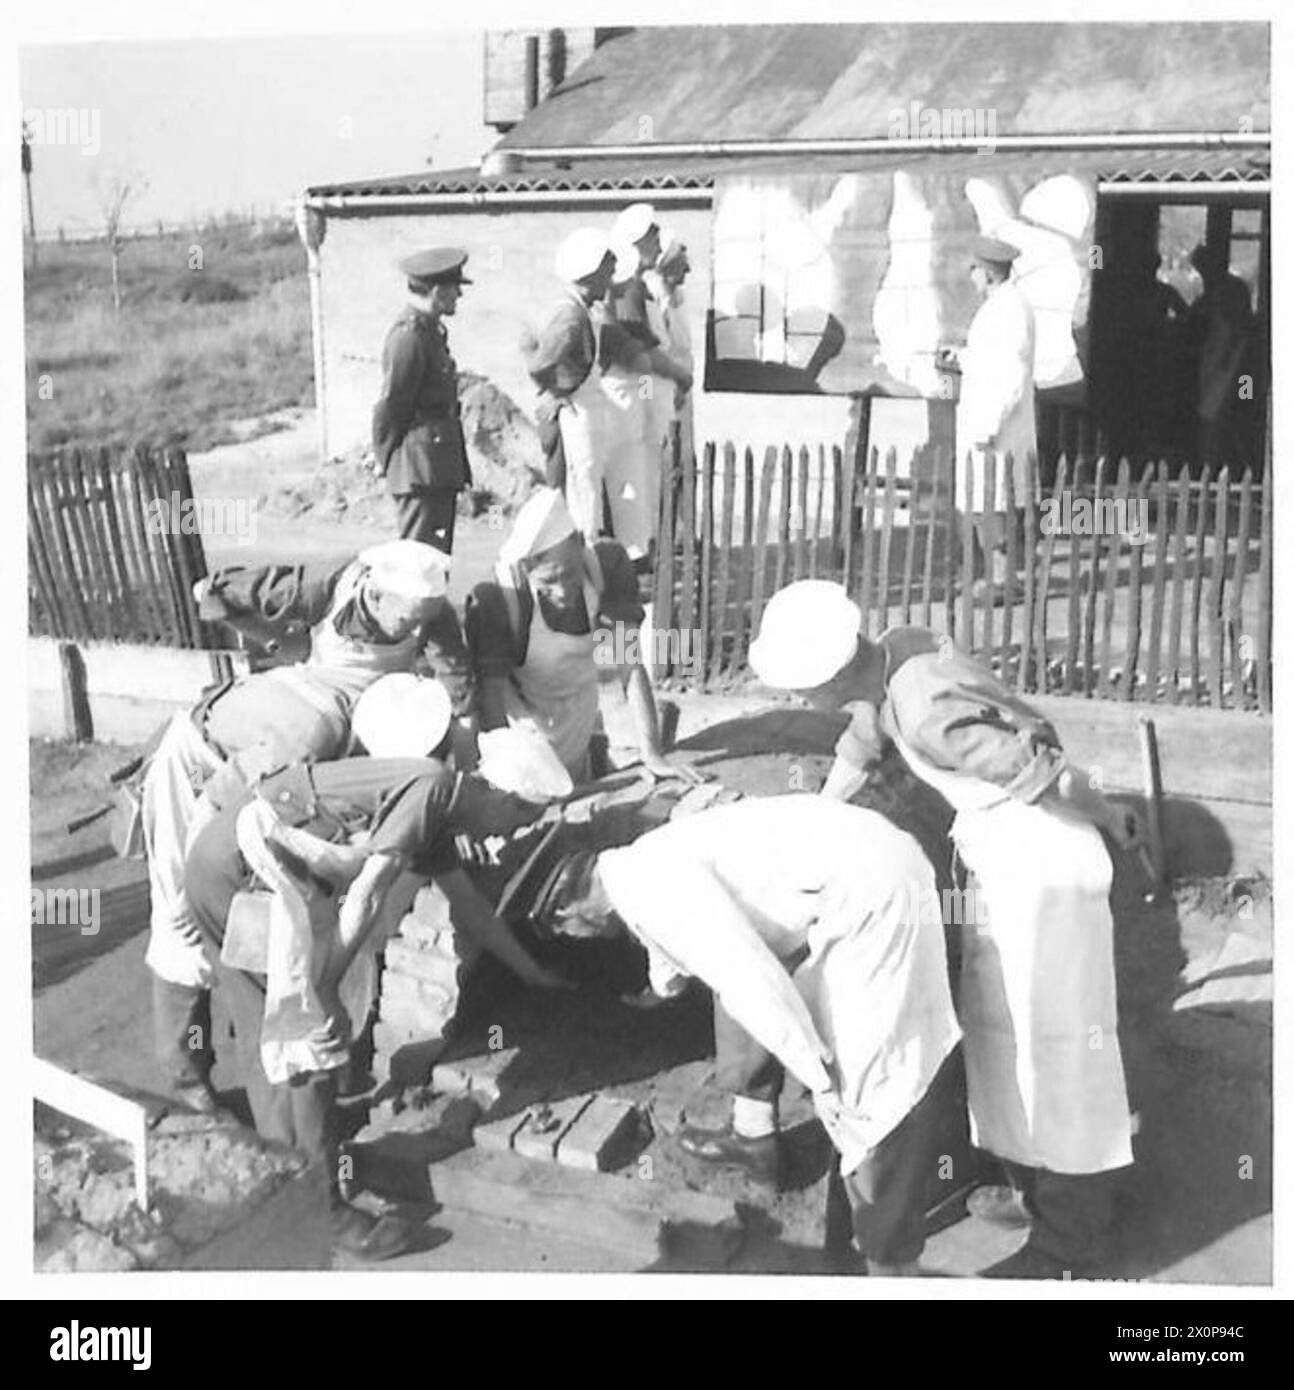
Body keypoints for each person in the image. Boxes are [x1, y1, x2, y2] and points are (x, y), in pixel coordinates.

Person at [748, 580, 1143, 1278]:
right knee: (1001, 1034)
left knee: (1053, 1045)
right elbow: (862, 746)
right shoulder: (894, 655)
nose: (798, 701)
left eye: (801, 687)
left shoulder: (924, 705)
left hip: (1044, 857)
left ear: (832, 673)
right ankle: (1037, 1186)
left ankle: (1073, 1238)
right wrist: (812, 820)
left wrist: (1113, 817)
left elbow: (1045, 775)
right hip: (999, 860)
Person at [184, 676, 568, 1262]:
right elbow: (365, 898)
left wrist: (534, 973)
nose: (503, 840)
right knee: (311, 1038)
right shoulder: (434, 789)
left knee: (276, 1035)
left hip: (224, 861)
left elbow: (469, 907)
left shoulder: (438, 805)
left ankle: (279, 1181)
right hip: (244, 872)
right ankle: (323, 1212)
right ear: (503, 796)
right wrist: (325, 985)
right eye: (515, 823)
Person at [529, 793, 962, 1276]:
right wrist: (660, 990)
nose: (574, 939)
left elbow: (751, 980)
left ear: (568, 911)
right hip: (869, 861)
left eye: (567, 932)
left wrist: (816, 1070)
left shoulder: (652, 894)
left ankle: (892, 1256)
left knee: (872, 1084)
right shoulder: (634, 866)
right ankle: (869, 1215)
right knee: (877, 1065)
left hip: (871, 898)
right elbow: (675, 940)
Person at [142, 540, 466, 1111]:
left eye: (424, 618)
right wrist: (218, 597)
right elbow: (229, 811)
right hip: (208, 762)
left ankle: (308, 1068)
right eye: (406, 616)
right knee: (184, 927)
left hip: (296, 758)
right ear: (373, 589)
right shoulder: (335, 595)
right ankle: (190, 1085)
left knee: (286, 928)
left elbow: (459, 685)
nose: (416, 626)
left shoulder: (425, 640)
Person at [464, 488, 704, 786]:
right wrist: (513, 777)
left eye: (570, 574)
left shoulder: (605, 571)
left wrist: (651, 753)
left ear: (580, 544)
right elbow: (492, 702)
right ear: (525, 570)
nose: (563, 591)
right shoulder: (503, 602)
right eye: (548, 582)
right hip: (528, 751)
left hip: (580, 732)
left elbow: (627, 666)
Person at [523, 229, 650, 547]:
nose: (609, 281)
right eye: (606, 272)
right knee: (582, 494)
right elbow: (541, 363)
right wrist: (559, 392)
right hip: (577, 415)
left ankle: (588, 560)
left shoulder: (582, 310)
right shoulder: (570, 316)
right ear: (589, 273)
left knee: (588, 491)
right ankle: (584, 563)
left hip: (590, 413)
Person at [601, 204, 694, 562]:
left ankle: (651, 542)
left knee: (650, 462)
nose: (657, 239)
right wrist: (678, 378)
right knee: (637, 467)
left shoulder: (641, 287)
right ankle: (639, 550)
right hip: (638, 384)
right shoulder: (627, 289)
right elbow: (639, 352)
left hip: (647, 384)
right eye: (652, 235)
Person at [372, 247, 474, 553]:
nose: (459, 294)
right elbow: (392, 405)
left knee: (437, 561)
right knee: (417, 563)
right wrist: (385, 459)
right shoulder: (410, 336)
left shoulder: (430, 332)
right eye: (454, 288)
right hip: (419, 469)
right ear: (437, 291)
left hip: (436, 466)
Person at [952, 234, 1037, 593]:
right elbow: (988, 360)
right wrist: (961, 357)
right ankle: (984, 573)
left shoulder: (1011, 309)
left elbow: (1010, 375)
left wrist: (989, 427)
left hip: (997, 426)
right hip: (983, 420)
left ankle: (1003, 578)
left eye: (974, 269)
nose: (971, 276)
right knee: (980, 498)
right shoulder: (997, 307)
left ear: (987, 273)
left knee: (995, 502)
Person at [1187, 242, 1254, 467]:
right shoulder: (1215, 291)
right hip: (1217, 362)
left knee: (1218, 415)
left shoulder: (1230, 290)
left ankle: (1215, 464)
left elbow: (1235, 328)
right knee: (1212, 413)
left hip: (1233, 364)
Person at [643, 229, 695, 473]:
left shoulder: (677, 297)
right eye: (681, 265)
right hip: (658, 387)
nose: (687, 271)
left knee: (682, 455)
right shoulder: (650, 296)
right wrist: (645, 398)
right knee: (659, 456)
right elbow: (644, 353)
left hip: (680, 388)